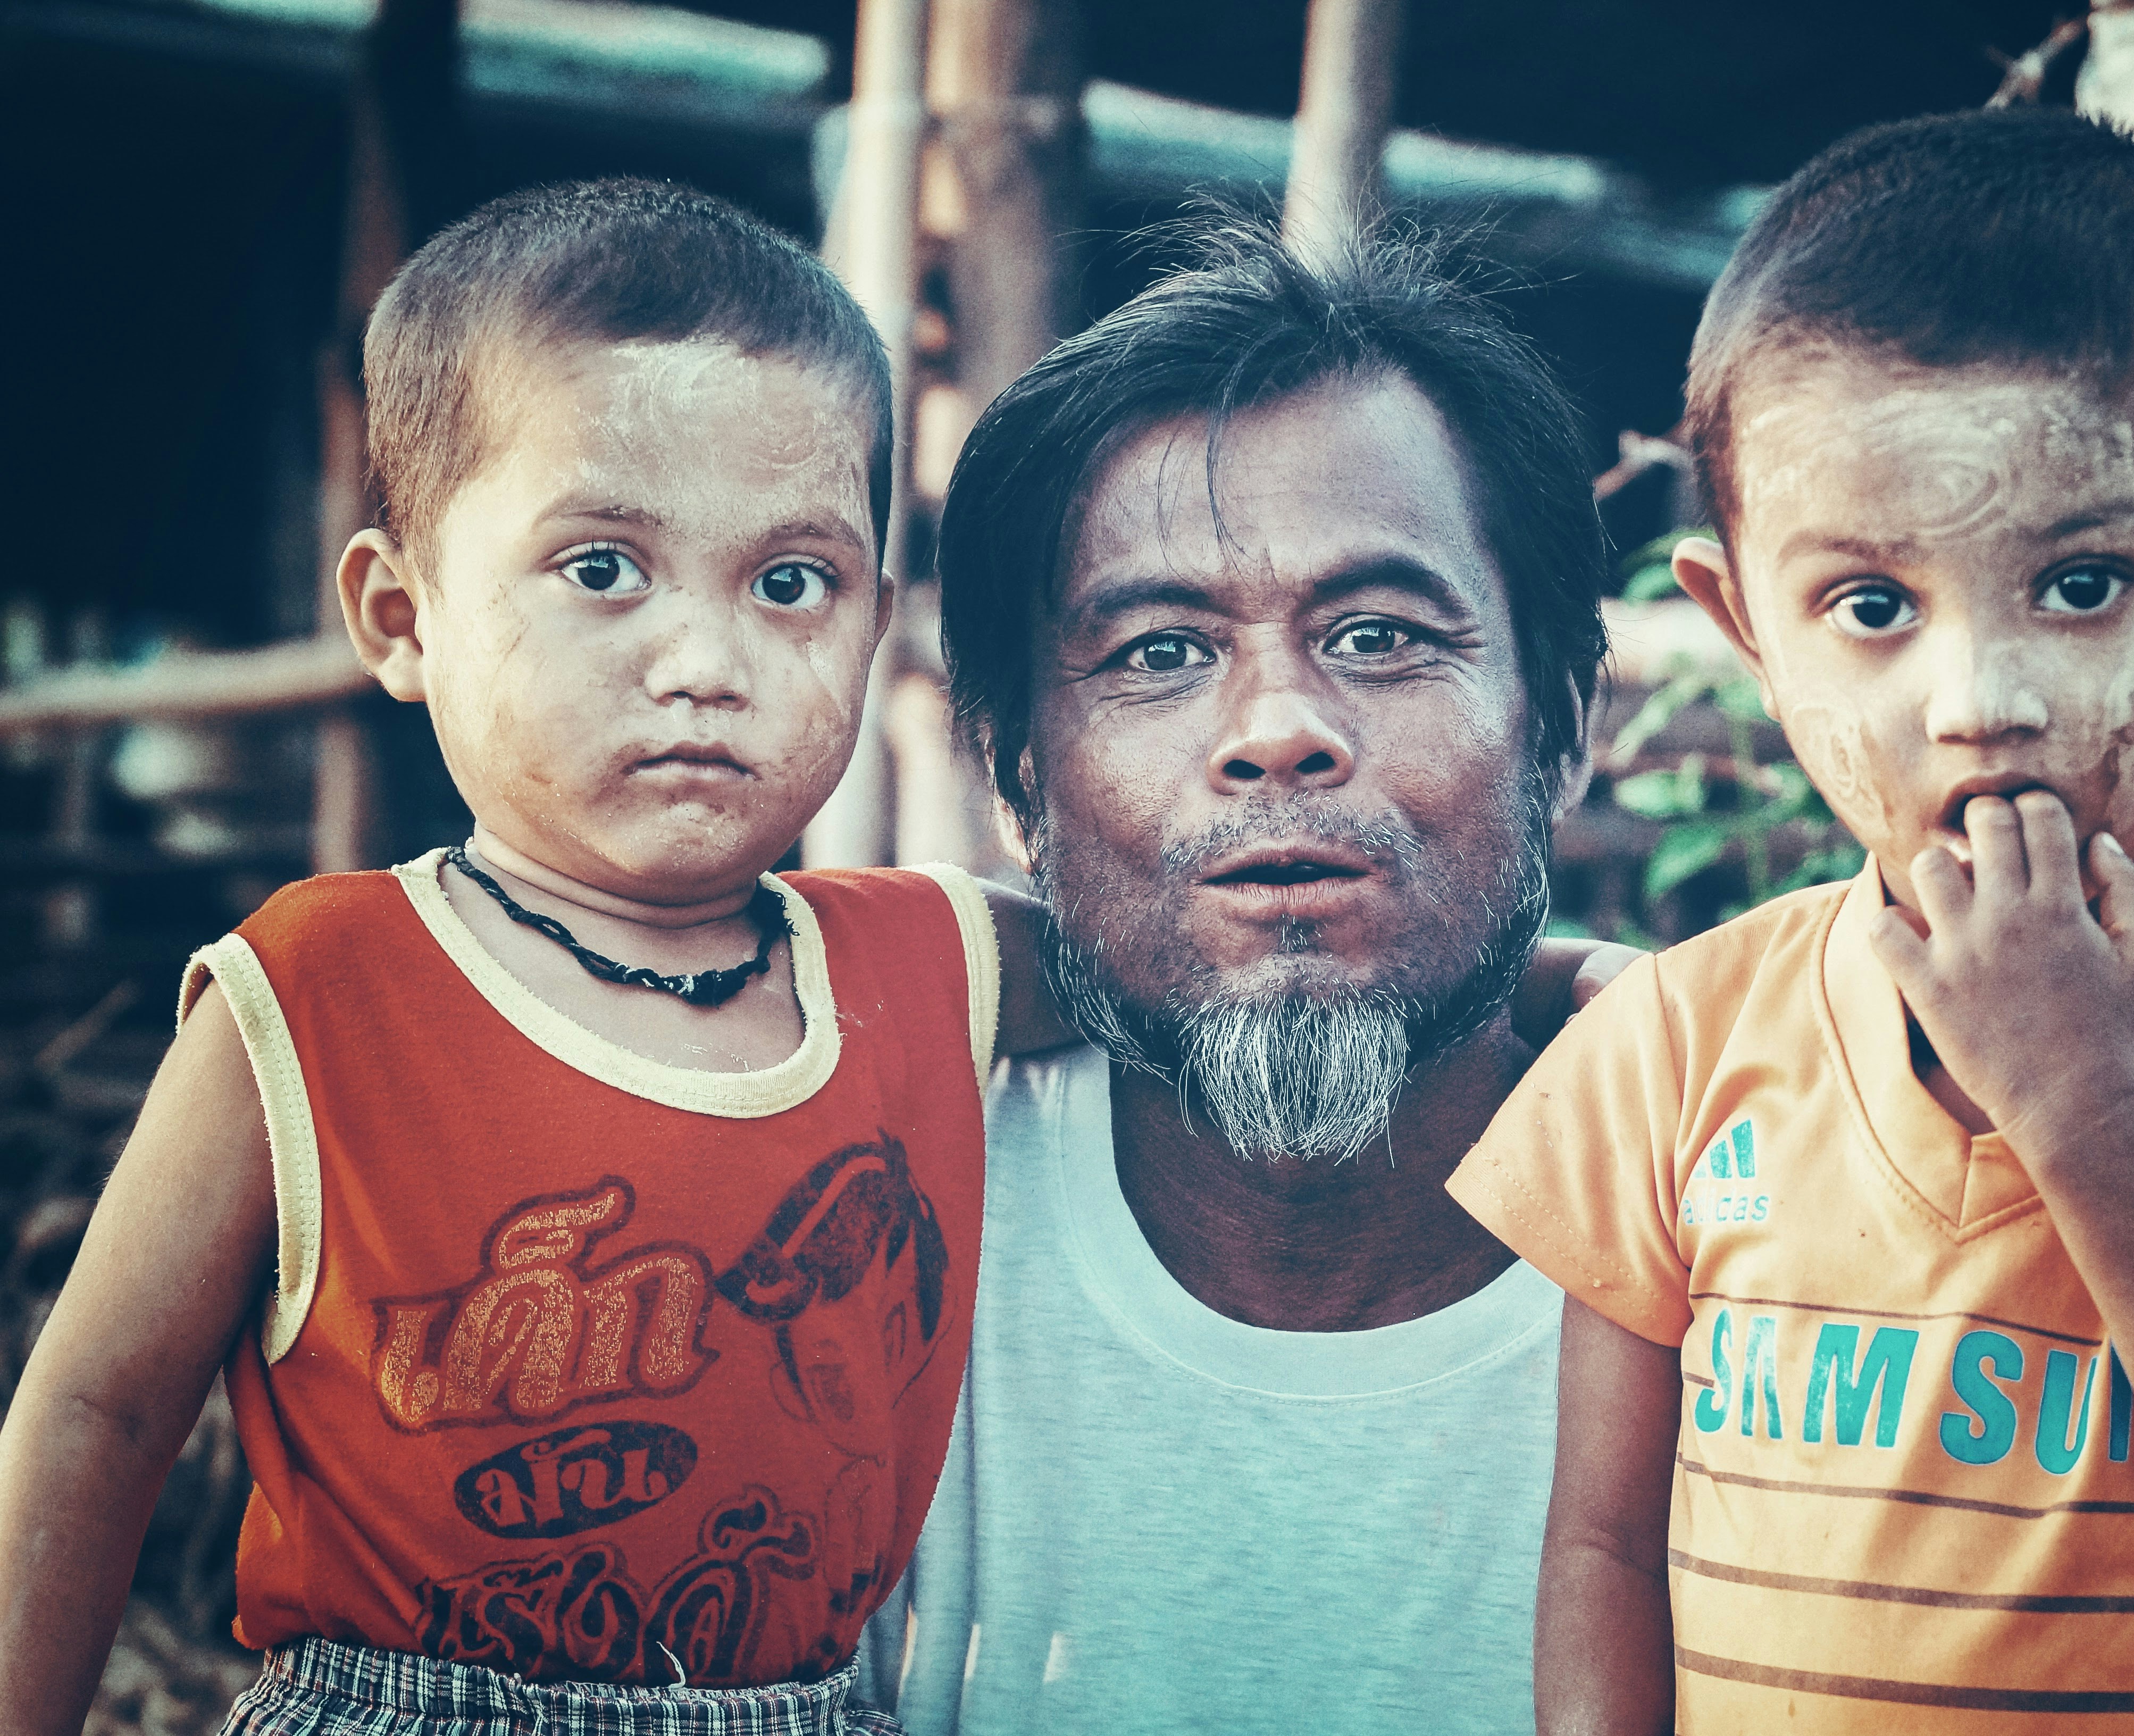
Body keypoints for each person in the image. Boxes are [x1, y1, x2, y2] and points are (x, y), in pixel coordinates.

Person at [1445, 109, 2134, 1733]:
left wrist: (2083, 1109)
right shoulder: (1676, 1043)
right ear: (1746, 629)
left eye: (2081, 584)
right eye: (1870, 608)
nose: (1981, 703)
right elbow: (1608, 1548)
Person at [0, 179, 1069, 1733]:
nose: (705, 663)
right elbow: (95, 1418)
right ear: (399, 613)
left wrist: (1554, 991)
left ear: (874, 620)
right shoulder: (318, 994)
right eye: (600, 569)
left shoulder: (931, 964)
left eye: (791, 583)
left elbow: (1214, 973)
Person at [856, 223, 1612, 1735]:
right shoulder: (857, 1239)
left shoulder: (1769, 1264)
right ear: (1017, 779)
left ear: (1561, 730)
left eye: (1383, 635)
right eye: (1154, 652)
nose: (1277, 729)